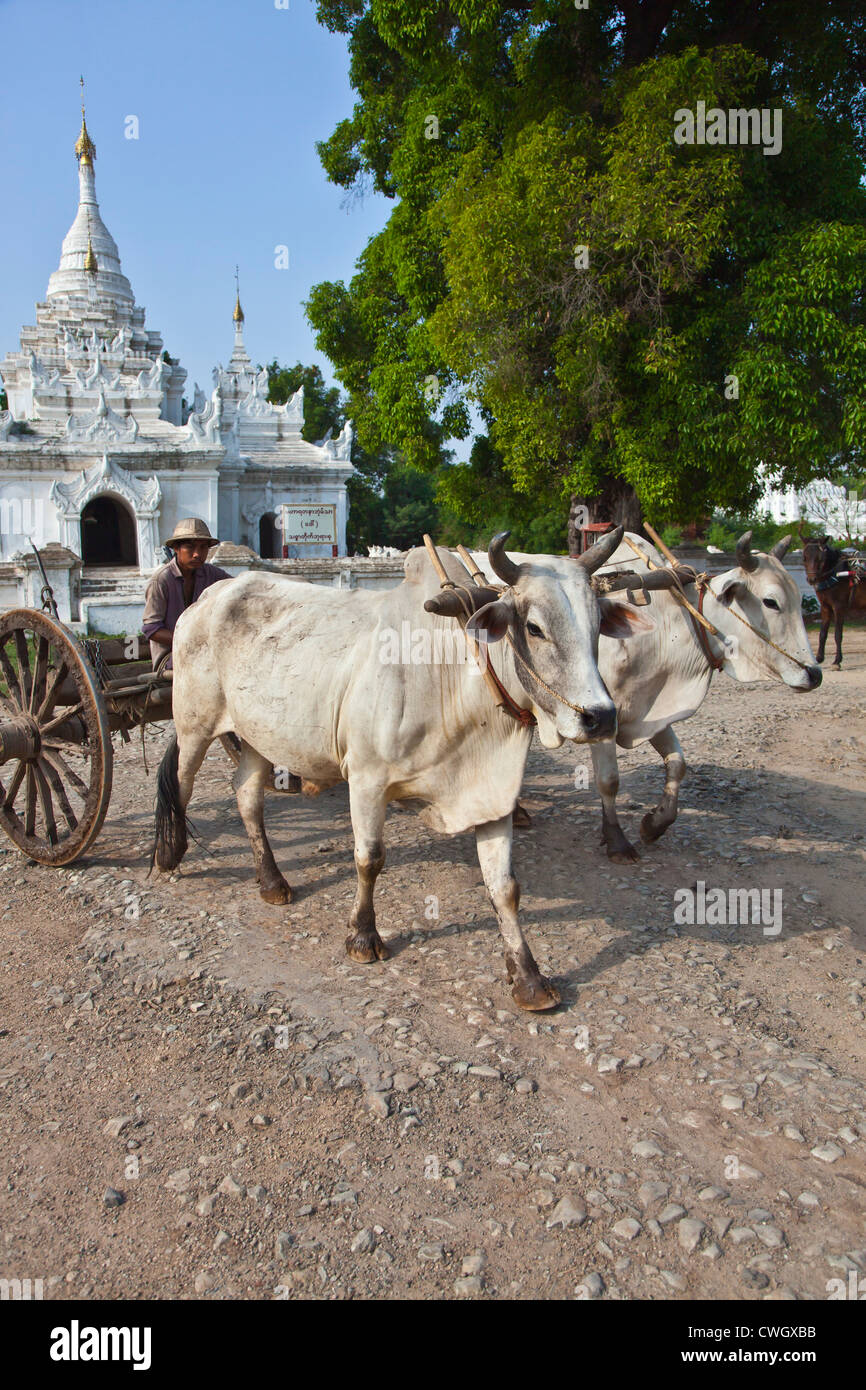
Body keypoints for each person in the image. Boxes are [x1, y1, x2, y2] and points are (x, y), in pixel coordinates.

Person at [142, 519, 231, 669]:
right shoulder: (161, 581)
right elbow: (151, 630)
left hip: (205, 653)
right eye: (190, 547)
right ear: (176, 548)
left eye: (203, 548)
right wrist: (192, 640)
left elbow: (237, 589)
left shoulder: (211, 574)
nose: (197, 554)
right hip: (171, 658)